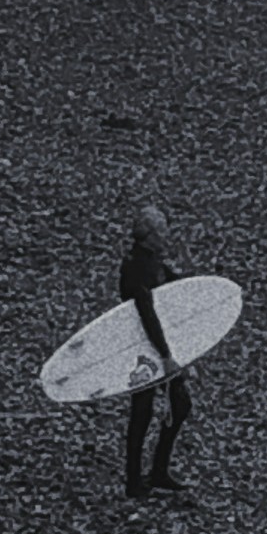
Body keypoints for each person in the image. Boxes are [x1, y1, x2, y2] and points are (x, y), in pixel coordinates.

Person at [118, 204, 202, 498]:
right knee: (141, 413)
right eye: (163, 228)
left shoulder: (154, 262)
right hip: (143, 348)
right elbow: (146, 314)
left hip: (163, 344)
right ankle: (133, 480)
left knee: (180, 406)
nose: (167, 233)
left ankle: (157, 471)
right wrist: (166, 356)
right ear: (149, 235)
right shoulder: (135, 267)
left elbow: (173, 294)